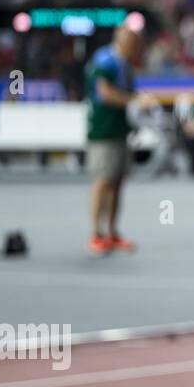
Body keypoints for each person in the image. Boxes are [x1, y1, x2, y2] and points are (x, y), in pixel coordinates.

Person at [84, 23, 157, 255]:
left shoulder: (124, 65)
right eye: (132, 43)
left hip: (120, 130)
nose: (135, 48)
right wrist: (134, 102)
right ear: (122, 41)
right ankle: (97, 233)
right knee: (103, 181)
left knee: (117, 183)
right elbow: (105, 94)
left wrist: (139, 104)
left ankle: (112, 232)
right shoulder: (104, 60)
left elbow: (128, 95)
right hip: (103, 130)